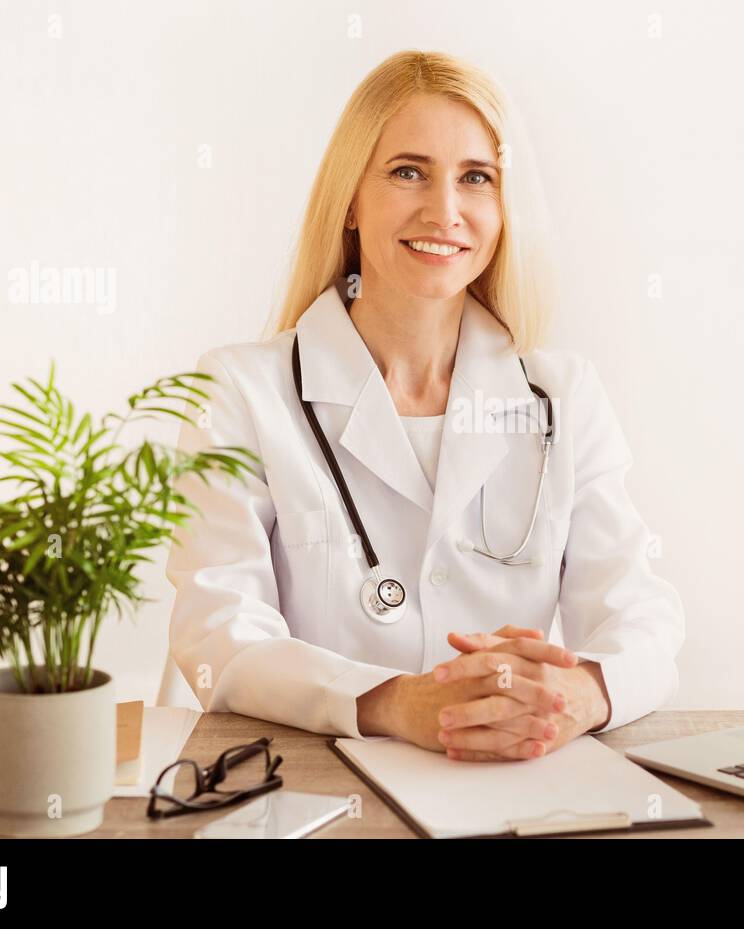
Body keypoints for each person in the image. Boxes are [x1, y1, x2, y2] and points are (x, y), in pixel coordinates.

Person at [165, 49, 684, 762]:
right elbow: (216, 634)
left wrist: (579, 696)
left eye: (476, 178)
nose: (444, 211)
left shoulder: (563, 397)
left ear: (504, 209)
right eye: (408, 171)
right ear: (350, 198)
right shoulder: (239, 391)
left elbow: (643, 614)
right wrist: (398, 703)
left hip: (512, 787)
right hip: (311, 790)